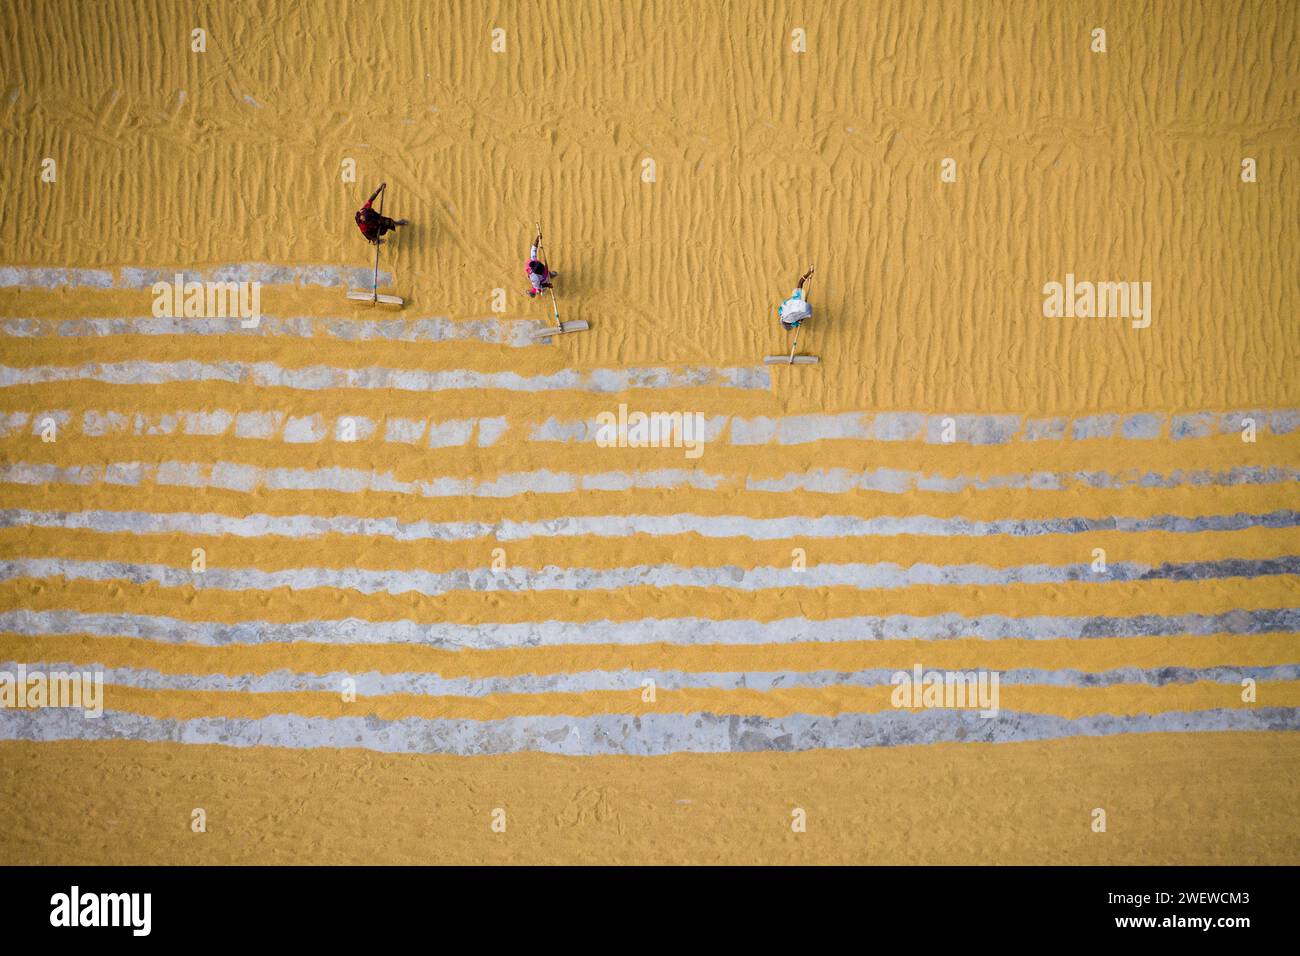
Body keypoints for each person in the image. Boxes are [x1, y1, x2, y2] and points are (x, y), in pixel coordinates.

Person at [525, 231, 558, 297]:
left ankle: (550, 275)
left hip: (544, 275)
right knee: (540, 289)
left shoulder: (534, 261)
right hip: (540, 282)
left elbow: (533, 250)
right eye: (543, 270)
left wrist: (537, 239)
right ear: (539, 273)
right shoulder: (535, 278)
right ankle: (533, 293)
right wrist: (547, 285)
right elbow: (539, 286)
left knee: (548, 274)